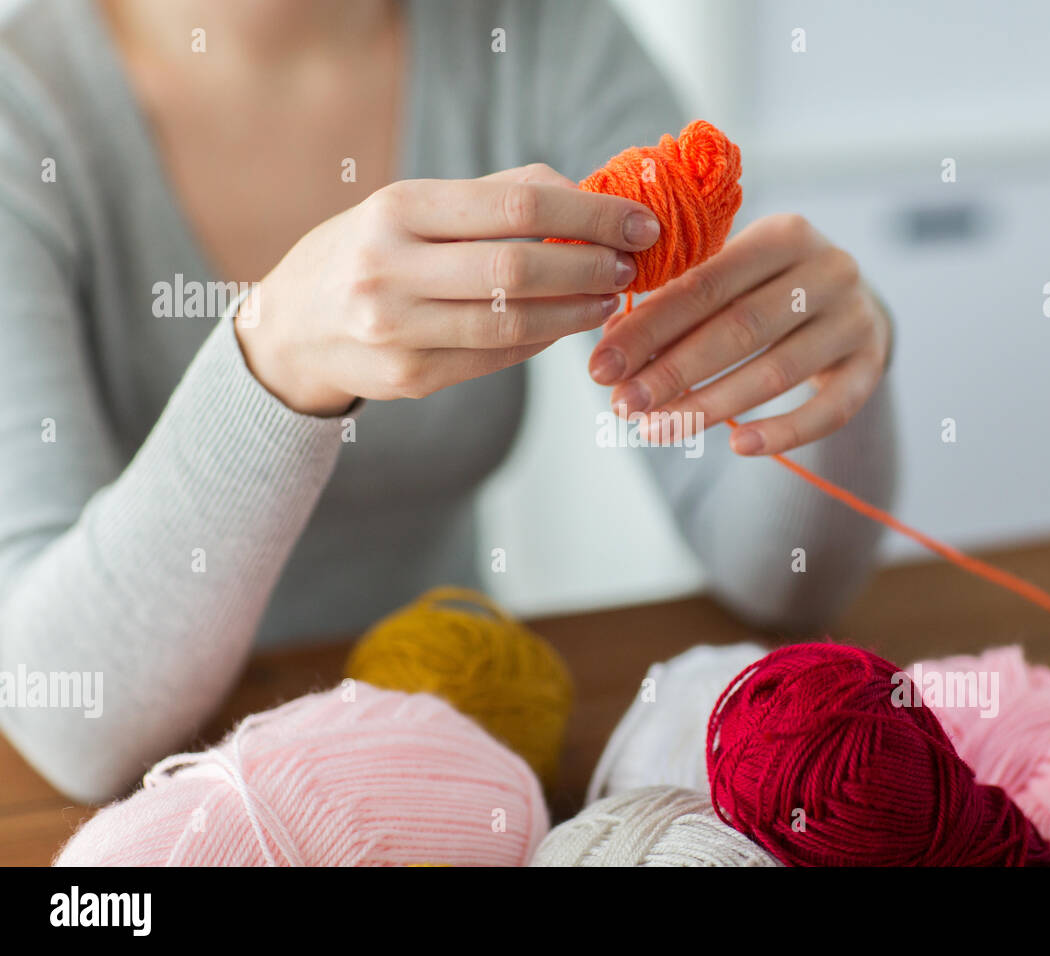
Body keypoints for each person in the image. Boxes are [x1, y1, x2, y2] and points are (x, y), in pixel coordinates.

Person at [0, 0, 896, 803]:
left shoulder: (537, 36)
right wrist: (273, 360)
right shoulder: (26, 112)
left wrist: (818, 375)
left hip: (460, 760)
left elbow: (784, 578)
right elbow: (73, 719)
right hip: (171, 810)